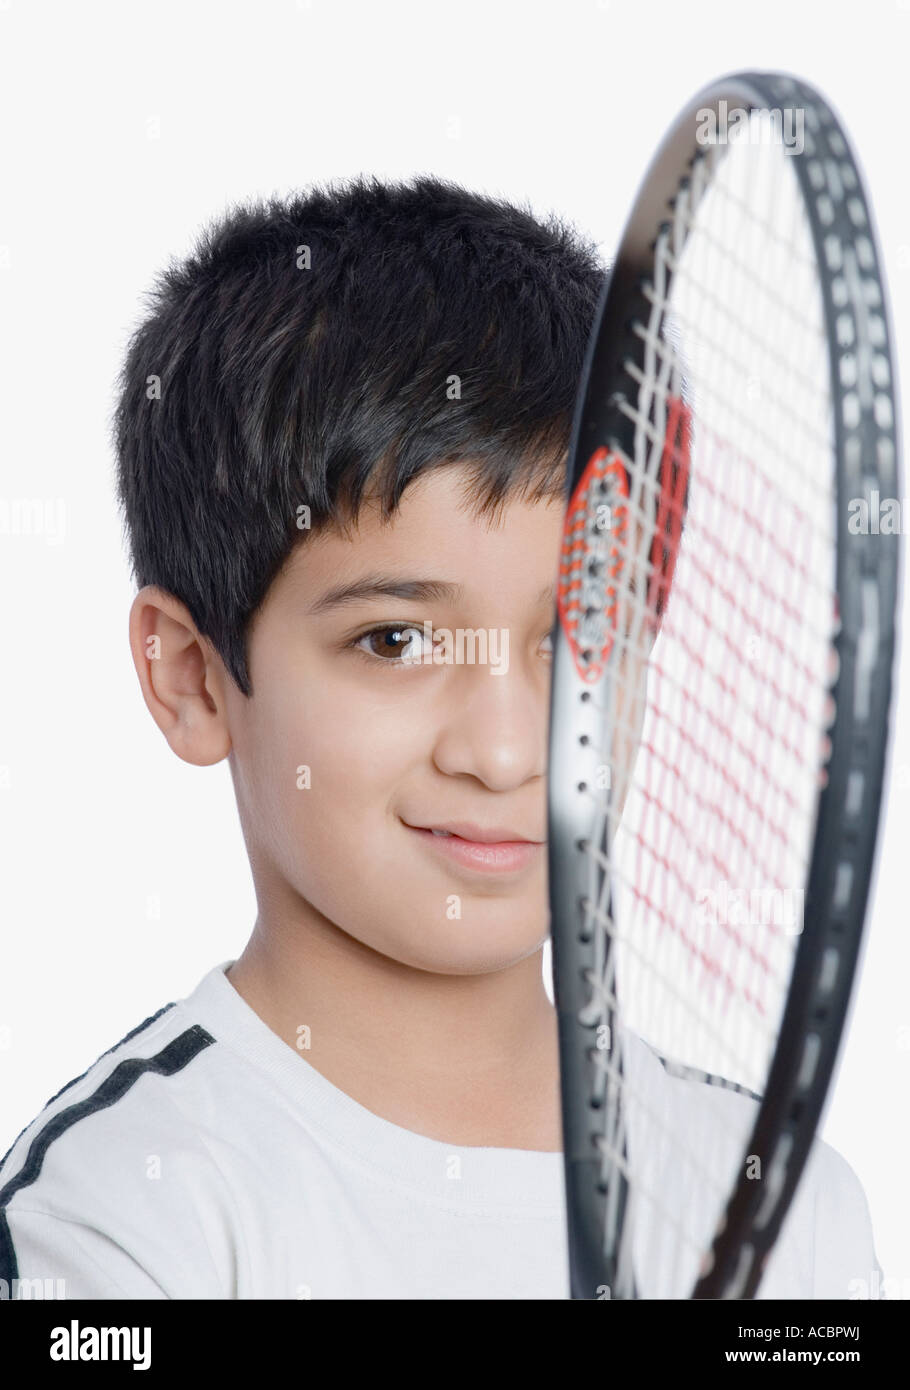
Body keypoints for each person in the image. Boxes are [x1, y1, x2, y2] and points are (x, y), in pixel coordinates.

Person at [0, 175, 881, 1299]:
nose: (507, 750)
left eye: (575, 638)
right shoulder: (120, 1217)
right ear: (193, 678)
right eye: (395, 642)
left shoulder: (780, 1207)